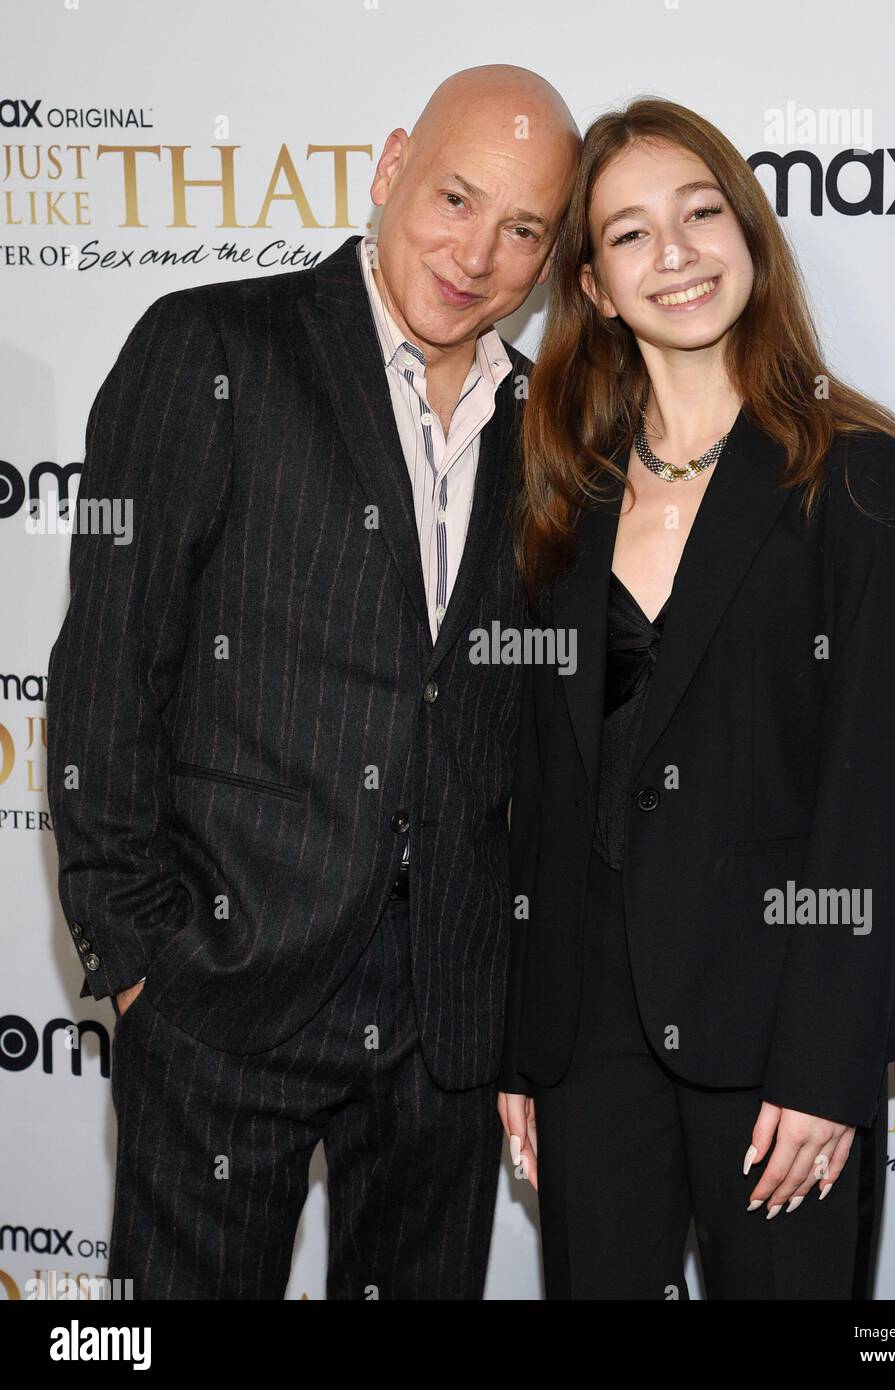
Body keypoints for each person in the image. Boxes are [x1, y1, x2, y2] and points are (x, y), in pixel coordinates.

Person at [46, 64, 580, 1300]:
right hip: (227, 984)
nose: (476, 254)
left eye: (522, 230)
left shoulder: (552, 424)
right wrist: (142, 959)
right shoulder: (216, 345)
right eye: (456, 196)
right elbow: (108, 671)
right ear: (392, 167)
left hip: (445, 1017)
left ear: (550, 259)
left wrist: (858, 509)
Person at [497, 96, 895, 1300]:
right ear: (589, 283)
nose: (674, 254)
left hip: (776, 1038)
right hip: (588, 1041)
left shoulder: (848, 473)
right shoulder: (553, 491)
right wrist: (525, 1045)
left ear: (748, 232)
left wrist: (825, 1065)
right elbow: (539, 788)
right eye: (629, 234)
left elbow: (870, 794)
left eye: (698, 214)